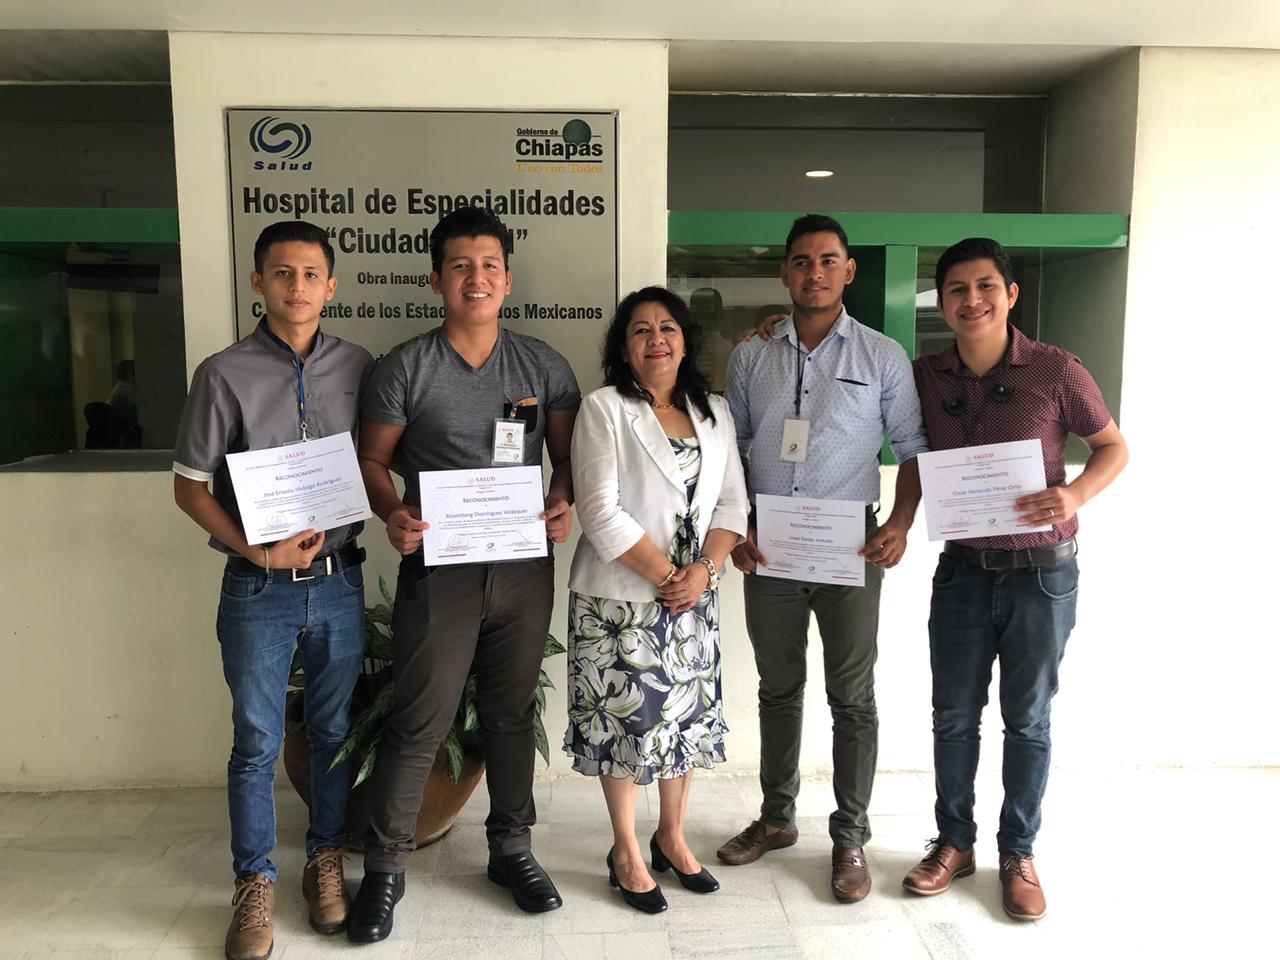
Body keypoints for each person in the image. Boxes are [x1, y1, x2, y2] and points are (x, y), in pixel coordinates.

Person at [349, 206, 580, 942]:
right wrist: (391, 513)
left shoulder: (542, 365)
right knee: (421, 718)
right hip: (439, 570)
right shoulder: (405, 367)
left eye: (488, 266)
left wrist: (562, 497)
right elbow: (371, 462)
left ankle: (512, 850)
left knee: (511, 716)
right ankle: (385, 872)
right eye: (459, 266)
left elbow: (570, 459)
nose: (474, 278)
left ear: (506, 279)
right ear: (436, 279)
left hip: (521, 567)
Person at [900, 237, 1127, 921]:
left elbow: (1114, 447)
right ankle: (954, 842)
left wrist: (1079, 494)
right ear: (941, 302)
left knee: (1027, 721)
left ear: (1009, 294)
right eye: (958, 290)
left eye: (985, 286)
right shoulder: (924, 376)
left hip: (1043, 575)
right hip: (963, 573)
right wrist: (900, 521)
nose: (972, 301)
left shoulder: (1056, 369)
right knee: (953, 717)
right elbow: (914, 459)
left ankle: (1018, 852)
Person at [172, 220, 373, 960]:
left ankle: (325, 860)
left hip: (340, 581)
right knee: (256, 741)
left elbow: (382, 459)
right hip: (258, 588)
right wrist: (257, 549)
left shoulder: (360, 365)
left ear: (332, 284)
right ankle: (252, 882)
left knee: (330, 733)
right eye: (282, 273)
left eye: (311, 273)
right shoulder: (222, 373)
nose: (297, 287)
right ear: (257, 283)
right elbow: (189, 487)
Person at [717, 214, 929, 903]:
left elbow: (914, 446)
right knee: (778, 690)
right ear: (785, 273)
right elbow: (733, 448)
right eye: (801, 261)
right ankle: (777, 819)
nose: (815, 272)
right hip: (771, 545)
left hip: (851, 548)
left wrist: (899, 522)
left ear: (849, 271)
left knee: (852, 697)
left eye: (828, 260)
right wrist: (739, 525)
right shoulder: (752, 355)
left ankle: (850, 837)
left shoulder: (882, 356)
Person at [566, 286, 749, 913]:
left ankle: (671, 835)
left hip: (693, 596)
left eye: (667, 327)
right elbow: (598, 509)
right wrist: (669, 573)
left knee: (684, 722)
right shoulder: (605, 408)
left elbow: (731, 503)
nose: (656, 340)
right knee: (627, 722)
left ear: (686, 339)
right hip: (620, 599)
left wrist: (702, 572)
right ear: (624, 346)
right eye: (640, 330)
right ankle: (625, 850)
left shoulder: (714, 411)